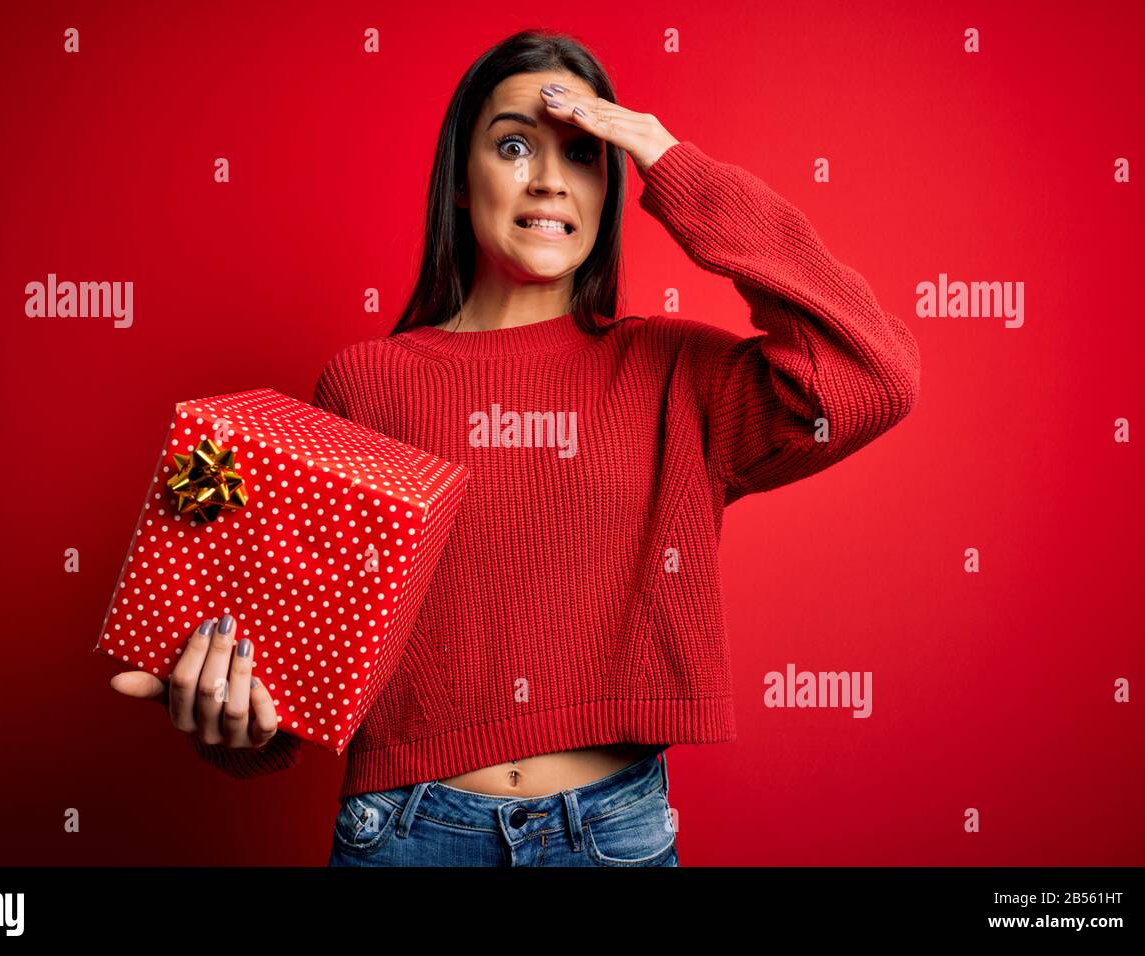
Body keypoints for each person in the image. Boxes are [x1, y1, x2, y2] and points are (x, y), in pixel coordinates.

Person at [109, 28, 921, 867]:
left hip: (615, 835)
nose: (548, 179)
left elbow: (872, 375)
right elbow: (295, 682)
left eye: (584, 154)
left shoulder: (674, 372)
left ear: (611, 187)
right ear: (462, 180)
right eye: (512, 146)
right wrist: (230, 721)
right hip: (405, 835)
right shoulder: (368, 384)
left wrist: (675, 166)